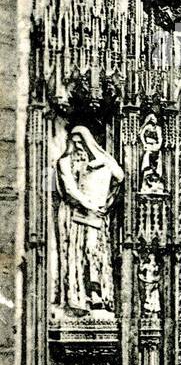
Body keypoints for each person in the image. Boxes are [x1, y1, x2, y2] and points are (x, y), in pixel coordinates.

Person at [54, 127, 124, 315]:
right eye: (74, 142)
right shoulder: (65, 162)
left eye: (81, 142)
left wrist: (104, 161)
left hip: (95, 216)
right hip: (74, 215)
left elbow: (119, 176)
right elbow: (70, 189)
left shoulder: (95, 162)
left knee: (95, 252)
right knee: (79, 253)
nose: (78, 146)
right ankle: (78, 296)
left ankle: (97, 294)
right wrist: (89, 204)